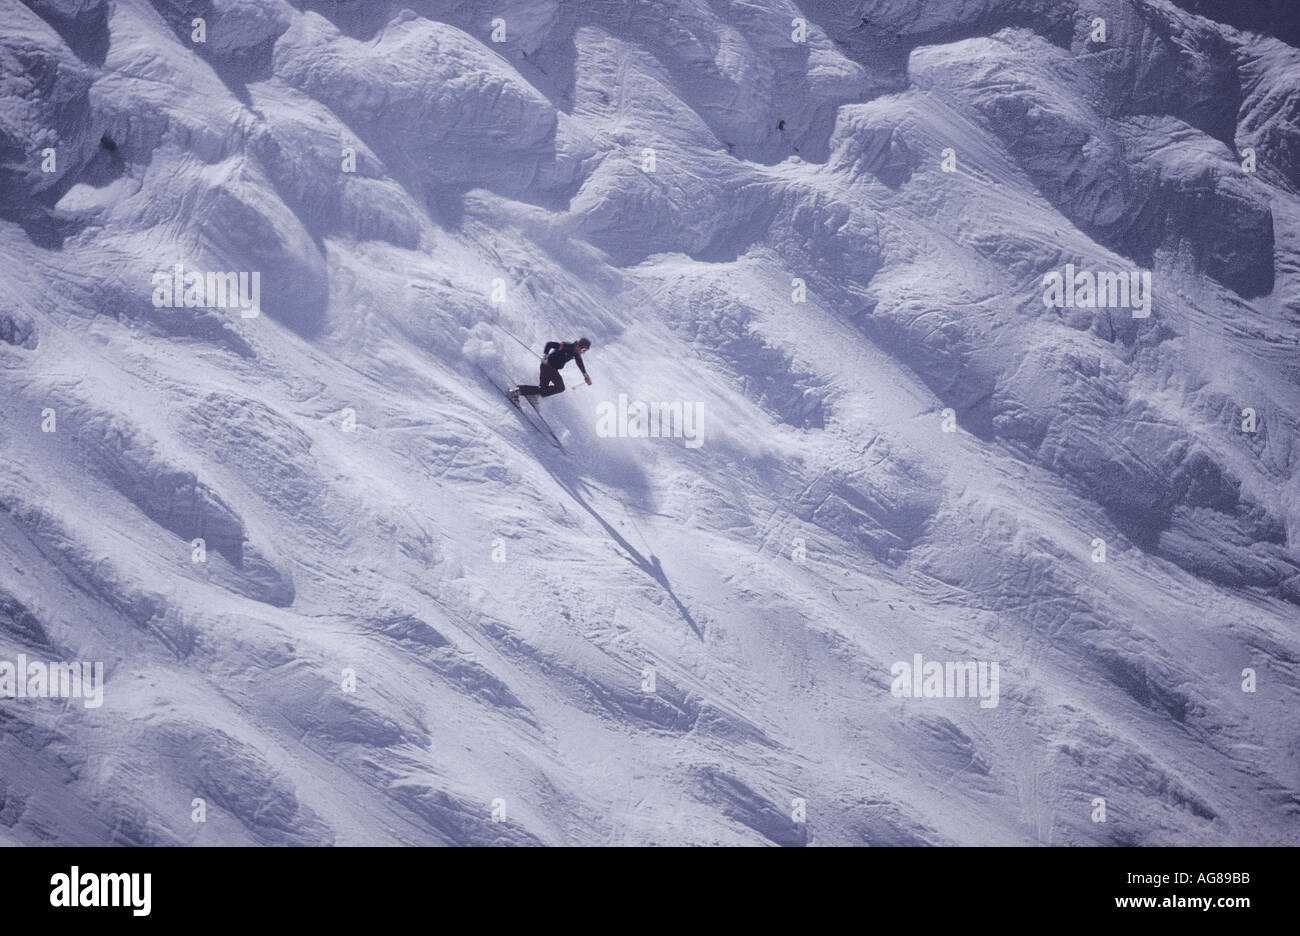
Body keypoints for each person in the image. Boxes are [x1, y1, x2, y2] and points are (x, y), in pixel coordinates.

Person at [509, 337, 592, 403]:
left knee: (543, 389)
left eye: (585, 351)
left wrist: (586, 376)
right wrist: (545, 356)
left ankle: (530, 395)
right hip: (548, 366)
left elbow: (579, 362)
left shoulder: (575, 353)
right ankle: (517, 391)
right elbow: (550, 344)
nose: (583, 352)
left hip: (551, 368)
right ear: (579, 346)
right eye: (583, 350)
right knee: (560, 387)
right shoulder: (567, 346)